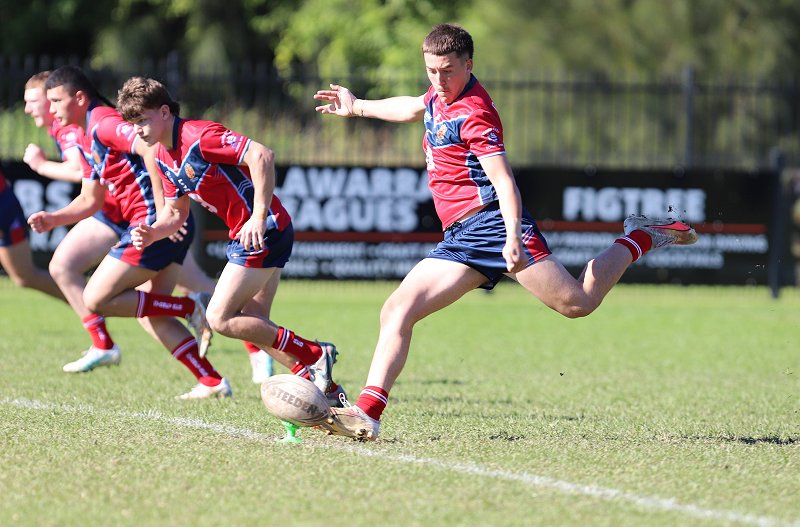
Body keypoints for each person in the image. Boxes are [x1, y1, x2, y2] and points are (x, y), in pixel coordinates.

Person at [312, 23, 698, 440]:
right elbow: (412, 107)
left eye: (447, 71)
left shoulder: (474, 113)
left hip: (493, 226)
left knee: (577, 303)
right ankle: (367, 414)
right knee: (396, 310)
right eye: (431, 71)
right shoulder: (440, 96)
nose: (438, 80)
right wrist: (358, 107)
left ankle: (641, 236)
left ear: (468, 64)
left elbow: (504, 181)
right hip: (460, 238)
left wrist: (512, 235)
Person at [116, 76, 345, 404]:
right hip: (254, 233)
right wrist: (152, 232)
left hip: (264, 229)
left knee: (220, 318)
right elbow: (175, 214)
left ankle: (314, 354)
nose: (138, 130)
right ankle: (324, 389)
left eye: (142, 120)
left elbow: (262, 155)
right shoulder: (162, 156)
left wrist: (258, 215)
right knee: (254, 324)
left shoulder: (199, 136)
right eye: (132, 123)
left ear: (165, 112)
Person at [29, 66, 230, 400]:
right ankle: (211, 380)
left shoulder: (104, 123)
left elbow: (150, 148)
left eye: (56, 101)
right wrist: (54, 219)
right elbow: (91, 199)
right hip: (156, 225)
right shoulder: (85, 132)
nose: (51, 109)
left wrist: (162, 213)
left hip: (152, 225)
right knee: (151, 314)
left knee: (95, 298)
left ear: (79, 98)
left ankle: (189, 307)